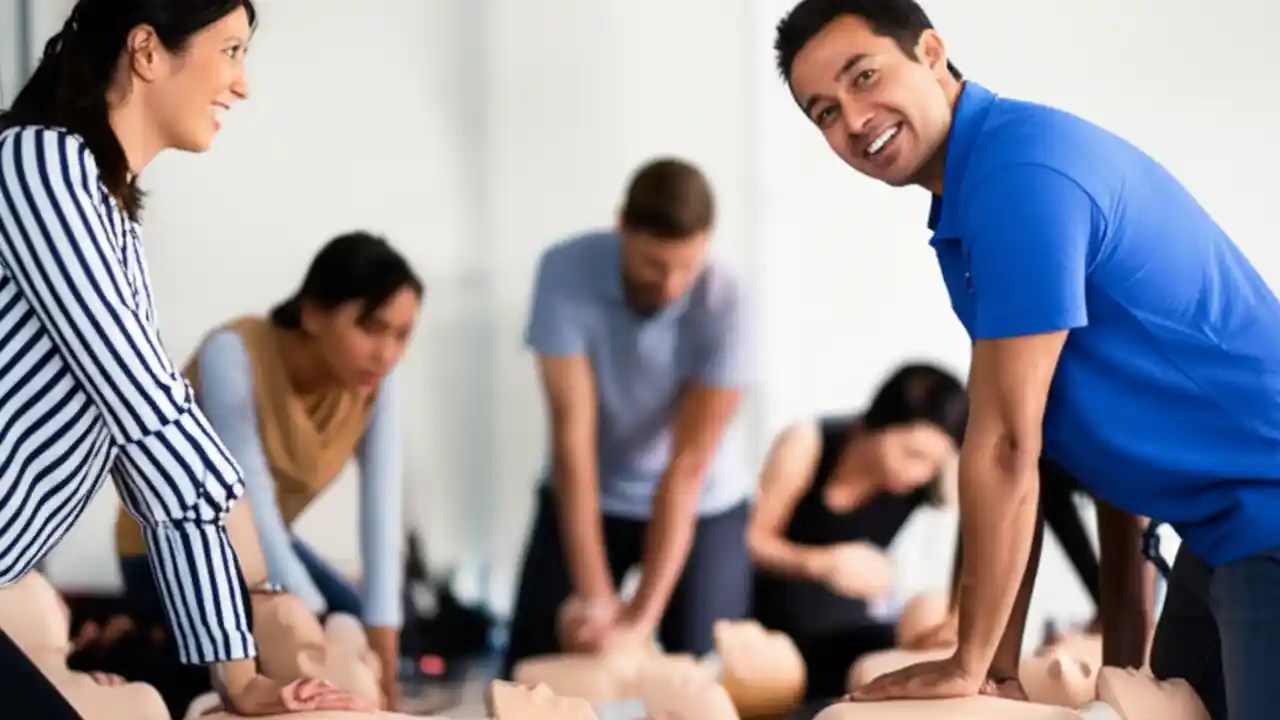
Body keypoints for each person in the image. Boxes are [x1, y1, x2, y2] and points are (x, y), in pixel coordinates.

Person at [773, 1, 1280, 718]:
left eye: (864, 77)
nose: (852, 120)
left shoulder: (1021, 176)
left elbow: (1008, 444)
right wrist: (1002, 664)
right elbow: (1056, 462)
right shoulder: (977, 197)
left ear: (929, 51)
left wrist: (967, 662)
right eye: (823, 111)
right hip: (1214, 538)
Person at [0, 0, 356, 715]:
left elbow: (154, 463)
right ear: (148, 51)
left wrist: (240, 678)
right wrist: (256, 587)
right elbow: (155, 419)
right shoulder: (37, 163)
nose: (243, 83)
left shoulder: (110, 225)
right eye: (229, 50)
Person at [115, 231, 422, 709]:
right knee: (300, 648)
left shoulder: (376, 383)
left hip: (262, 555)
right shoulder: (233, 353)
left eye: (402, 335)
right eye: (371, 328)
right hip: (170, 544)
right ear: (313, 313)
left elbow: (382, 522)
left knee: (357, 621)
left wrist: (385, 678)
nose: (387, 353)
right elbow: (252, 506)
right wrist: (317, 645)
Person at [502, 158, 755, 677]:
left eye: (686, 267)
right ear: (621, 227)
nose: (669, 285)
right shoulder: (565, 270)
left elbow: (685, 469)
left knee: (701, 669)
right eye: (652, 265)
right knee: (531, 668)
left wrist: (640, 620)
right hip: (591, 486)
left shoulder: (731, 300)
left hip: (701, 503)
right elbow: (572, 444)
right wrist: (598, 600)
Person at [748, 362, 965, 699]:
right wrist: (821, 563)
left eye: (932, 465)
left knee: (928, 629)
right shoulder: (808, 443)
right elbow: (750, 541)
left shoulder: (924, 485)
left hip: (857, 623)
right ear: (878, 423)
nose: (918, 474)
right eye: (912, 454)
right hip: (778, 618)